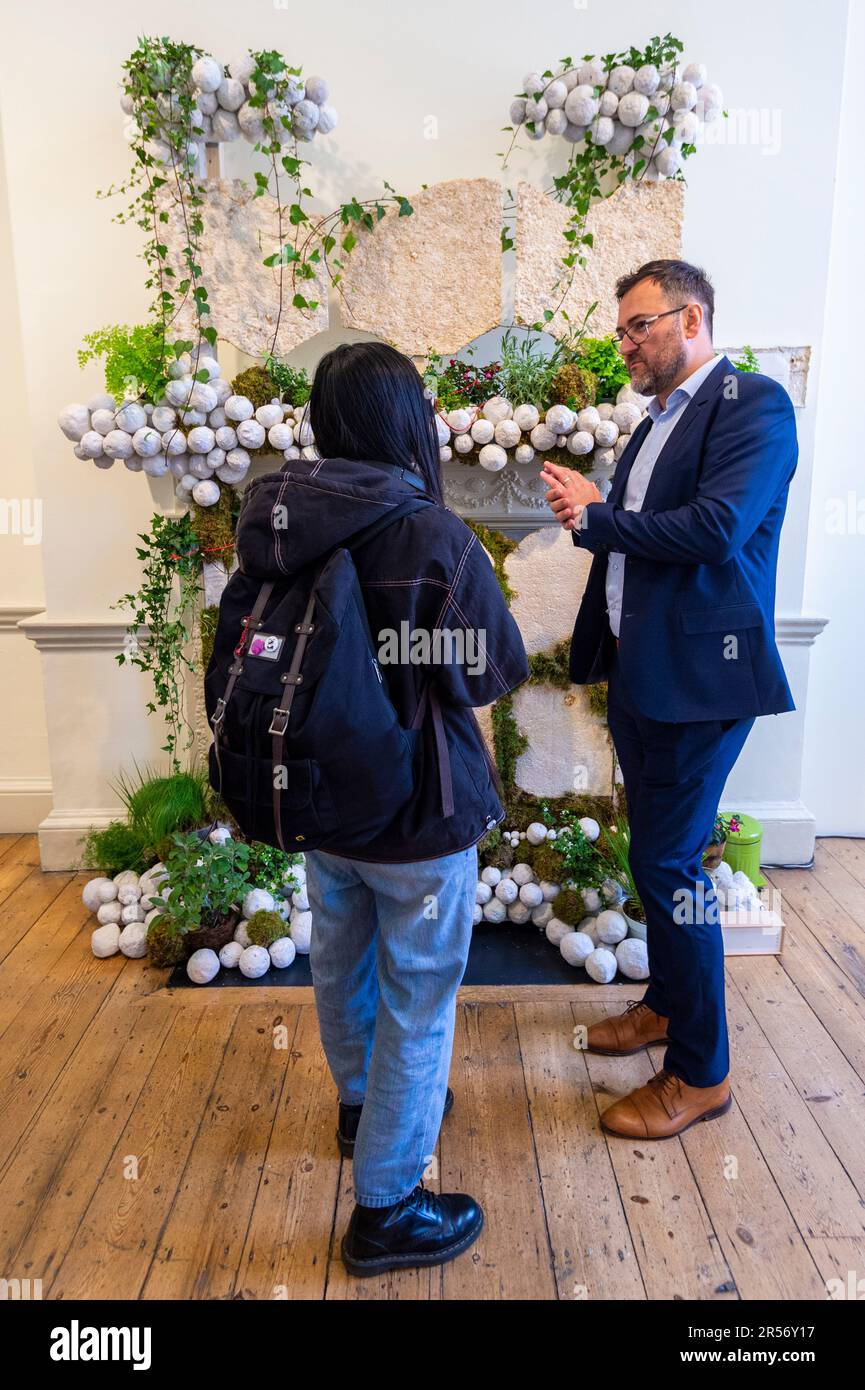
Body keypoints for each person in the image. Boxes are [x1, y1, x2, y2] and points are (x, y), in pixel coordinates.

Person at [234, 341, 528, 1274]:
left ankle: (361, 1108)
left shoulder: (276, 524)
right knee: (418, 994)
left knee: (340, 959)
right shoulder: (431, 535)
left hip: (315, 796)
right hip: (416, 811)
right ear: (406, 420)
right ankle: (388, 1207)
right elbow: (490, 673)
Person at [542, 259, 798, 1139]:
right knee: (653, 858)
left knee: (671, 868)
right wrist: (596, 514)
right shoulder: (652, 423)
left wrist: (594, 515)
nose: (624, 344)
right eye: (619, 330)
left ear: (690, 319)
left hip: (701, 682)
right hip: (641, 675)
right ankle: (663, 1006)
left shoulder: (754, 407)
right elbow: (642, 541)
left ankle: (702, 1072)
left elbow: (716, 529)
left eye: (637, 326)